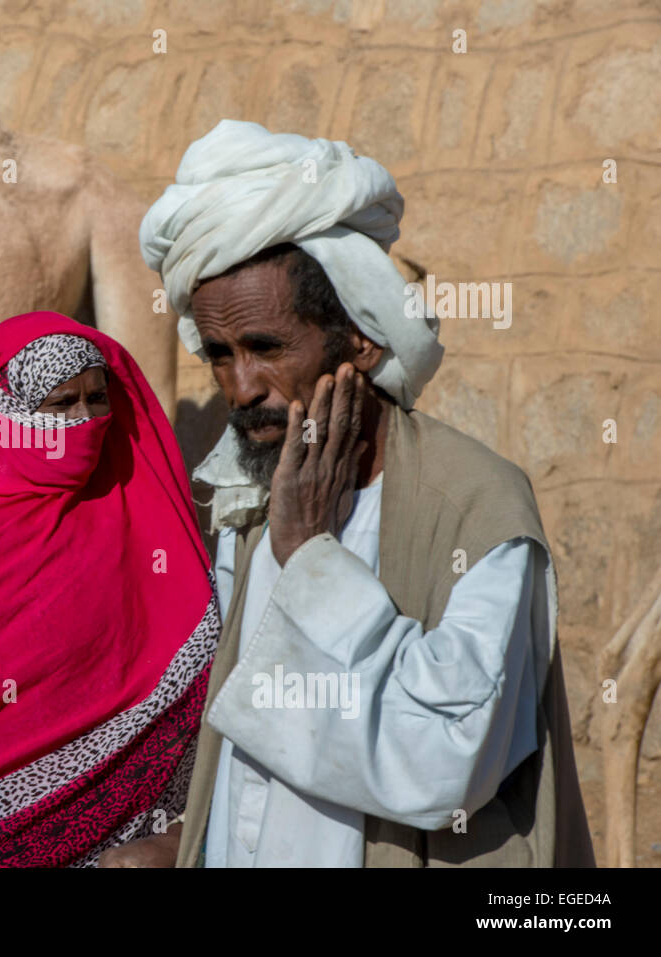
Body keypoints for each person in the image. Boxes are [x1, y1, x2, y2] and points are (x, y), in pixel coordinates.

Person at [102, 119, 593, 867]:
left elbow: (446, 761)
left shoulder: (474, 504)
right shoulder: (248, 493)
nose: (240, 388)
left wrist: (311, 560)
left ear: (361, 336)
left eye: (266, 348)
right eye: (218, 356)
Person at [0, 311, 220, 867]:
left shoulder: (133, 496)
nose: (86, 419)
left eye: (96, 398)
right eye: (62, 404)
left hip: (145, 798)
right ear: (9, 409)